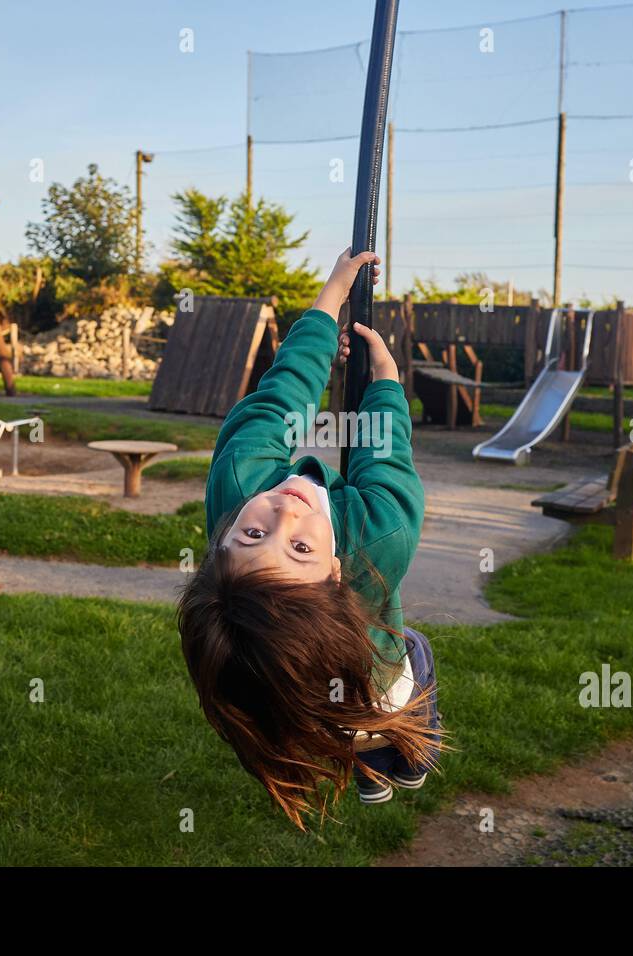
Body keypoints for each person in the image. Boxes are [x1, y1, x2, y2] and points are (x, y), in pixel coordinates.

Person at [177, 248, 443, 829]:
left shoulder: (239, 482)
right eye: (299, 550)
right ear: (339, 574)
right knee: (416, 657)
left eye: (252, 534)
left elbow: (283, 394)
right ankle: (415, 755)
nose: (282, 515)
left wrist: (332, 299)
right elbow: (383, 449)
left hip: (323, 710)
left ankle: (371, 775)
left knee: (351, 732)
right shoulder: (382, 533)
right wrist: (387, 382)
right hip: (384, 690)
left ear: (220, 543)